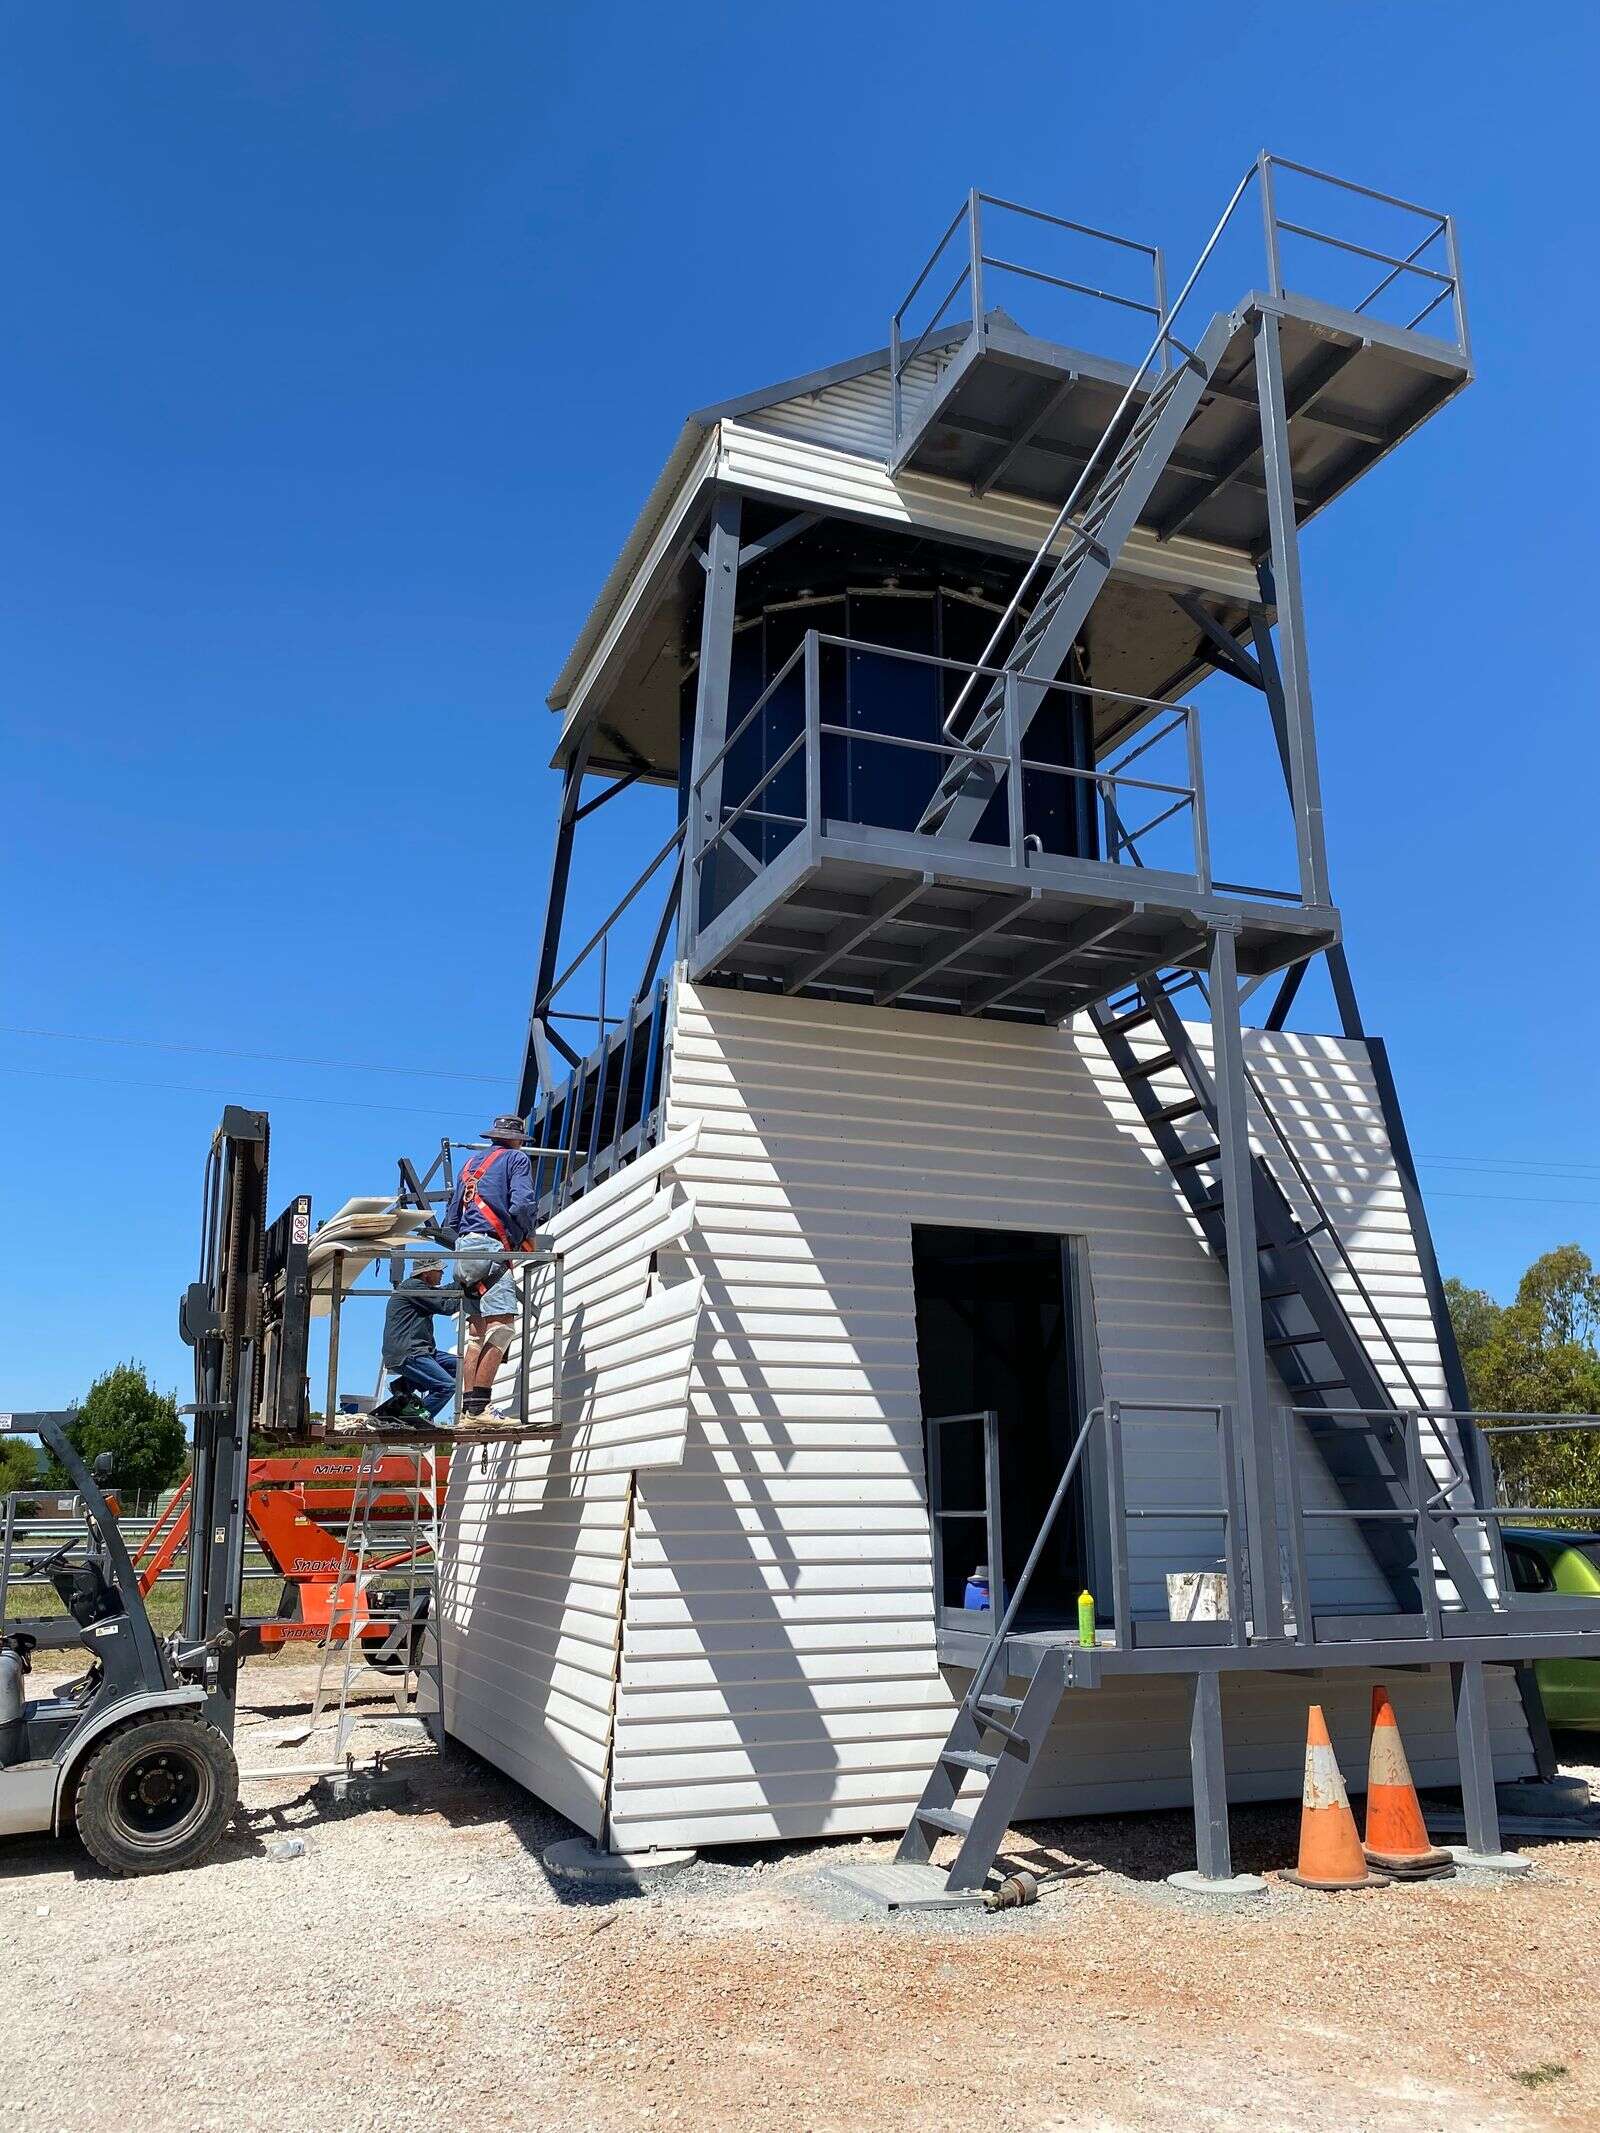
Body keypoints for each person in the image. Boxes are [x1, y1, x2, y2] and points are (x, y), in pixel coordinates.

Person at [441, 1113, 537, 1423]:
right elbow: (522, 1203)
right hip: (493, 1248)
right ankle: (480, 1410)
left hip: (464, 1251)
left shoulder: (469, 1166)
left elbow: (452, 1219)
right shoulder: (516, 1159)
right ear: (516, 1139)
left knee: (476, 1335)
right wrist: (523, 1236)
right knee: (503, 1328)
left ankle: (470, 1410)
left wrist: (469, 1241)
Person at [373, 1260, 460, 1426]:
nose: (442, 1274)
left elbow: (443, 1292)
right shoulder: (413, 1287)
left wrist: (464, 1282)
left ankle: (404, 1385)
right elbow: (445, 1306)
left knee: (461, 1365)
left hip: (422, 1351)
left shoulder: (419, 1289)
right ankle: (415, 1419)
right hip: (409, 1351)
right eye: (439, 1271)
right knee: (447, 1386)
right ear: (426, 1273)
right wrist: (470, 1295)